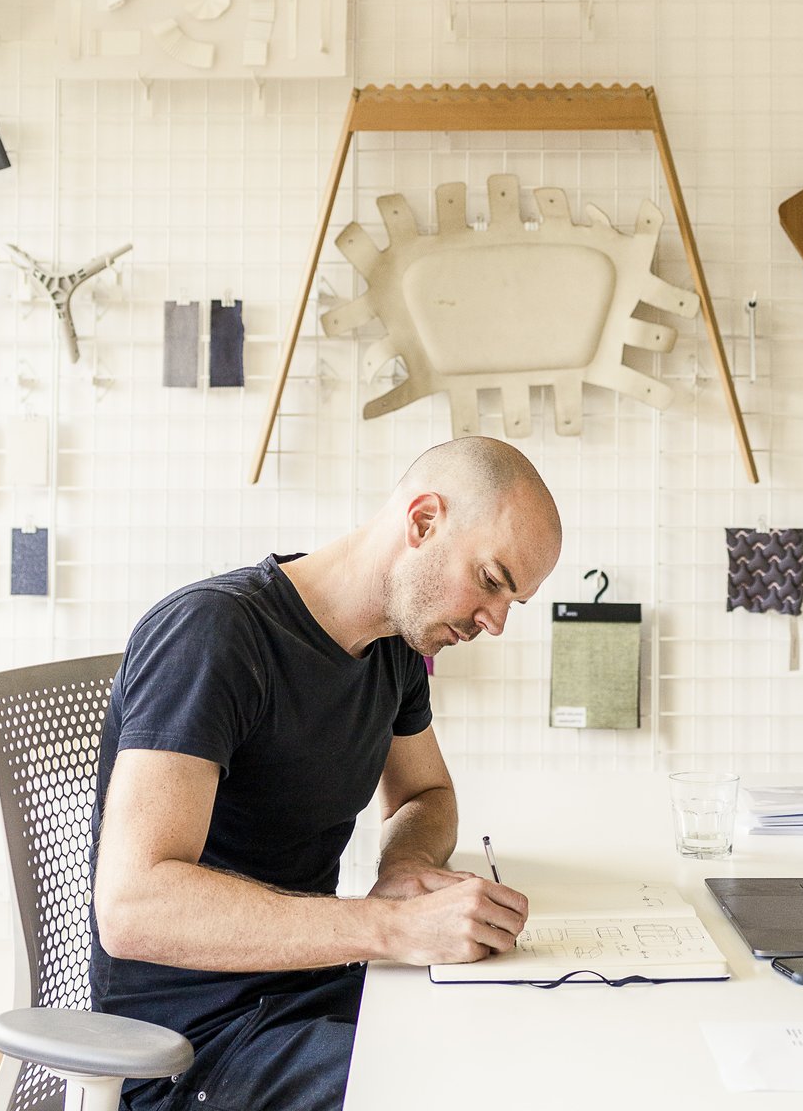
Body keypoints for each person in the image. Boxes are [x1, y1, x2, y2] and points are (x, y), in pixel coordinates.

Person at [89, 436, 563, 1111]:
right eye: (491, 581)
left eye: (514, 601)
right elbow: (134, 908)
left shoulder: (391, 652)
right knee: (463, 1087)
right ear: (422, 521)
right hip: (191, 1051)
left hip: (310, 993)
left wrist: (405, 864)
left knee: (528, 1041)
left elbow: (426, 795)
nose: (495, 622)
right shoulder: (213, 634)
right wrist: (391, 926)